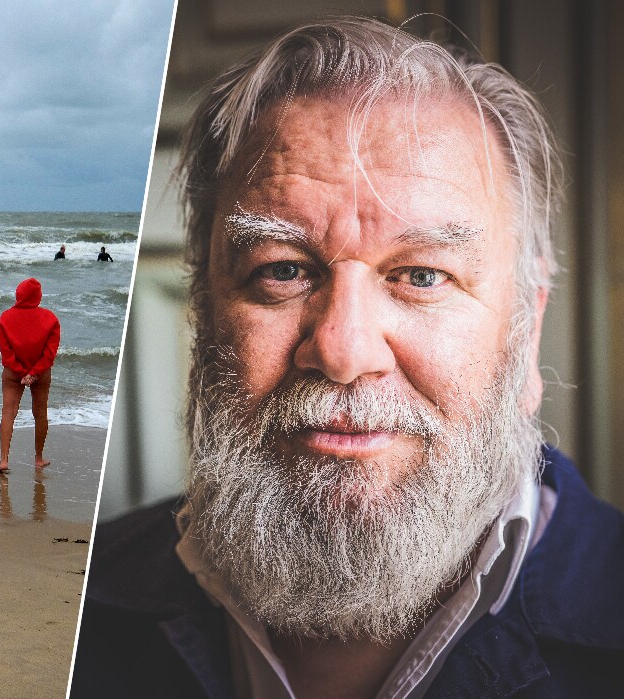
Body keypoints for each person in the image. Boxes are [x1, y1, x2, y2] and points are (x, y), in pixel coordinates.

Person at [72, 16, 624, 698]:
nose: (342, 350)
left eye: (422, 275)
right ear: (204, 311)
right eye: (281, 271)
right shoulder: (65, 608)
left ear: (527, 330)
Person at [0, 277, 60, 473]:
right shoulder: (50, 319)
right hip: (41, 373)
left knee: (8, 412)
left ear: (18, 294)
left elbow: (6, 352)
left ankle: (4, 460)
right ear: (38, 296)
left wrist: (22, 373)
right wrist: (34, 373)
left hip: (14, 373)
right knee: (40, 413)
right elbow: (50, 352)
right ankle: (38, 458)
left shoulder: (5, 318)